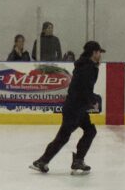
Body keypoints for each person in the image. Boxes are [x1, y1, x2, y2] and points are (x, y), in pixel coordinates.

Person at [31, 41, 104, 175]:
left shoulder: (86, 65)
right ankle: (43, 161)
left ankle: (78, 160)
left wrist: (90, 100)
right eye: (99, 52)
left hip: (78, 107)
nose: (101, 55)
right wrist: (93, 100)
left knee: (90, 130)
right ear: (94, 53)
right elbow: (83, 89)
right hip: (75, 108)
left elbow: (82, 88)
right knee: (64, 136)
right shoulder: (88, 68)